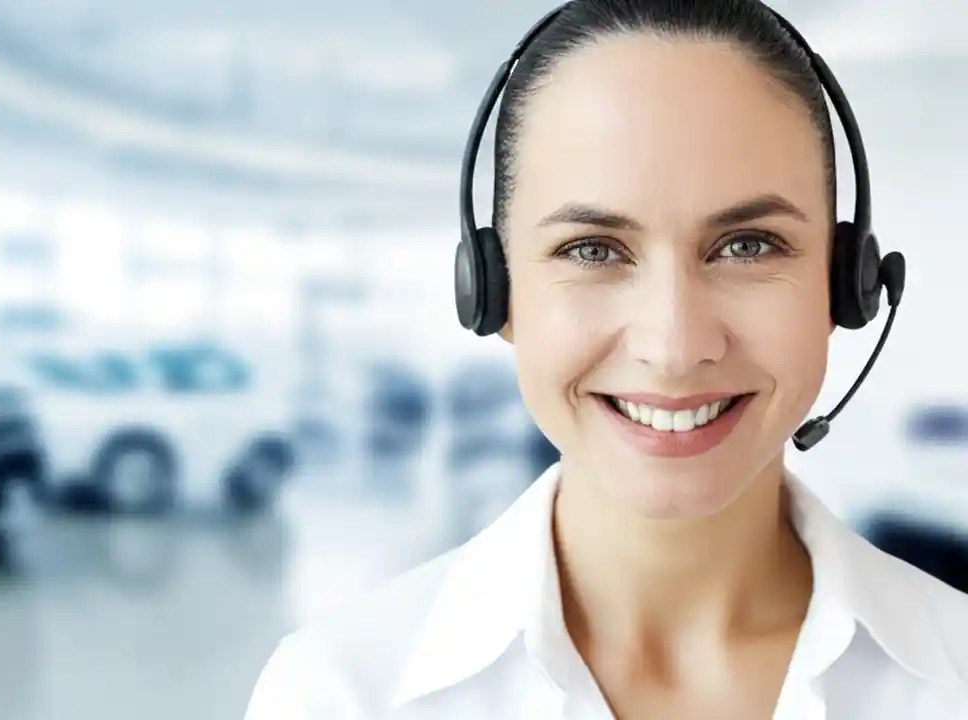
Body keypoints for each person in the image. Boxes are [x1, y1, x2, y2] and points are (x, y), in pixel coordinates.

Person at [245, 0, 968, 717]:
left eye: (747, 245)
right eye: (592, 250)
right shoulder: (338, 694)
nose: (675, 347)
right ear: (494, 291)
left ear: (846, 284)